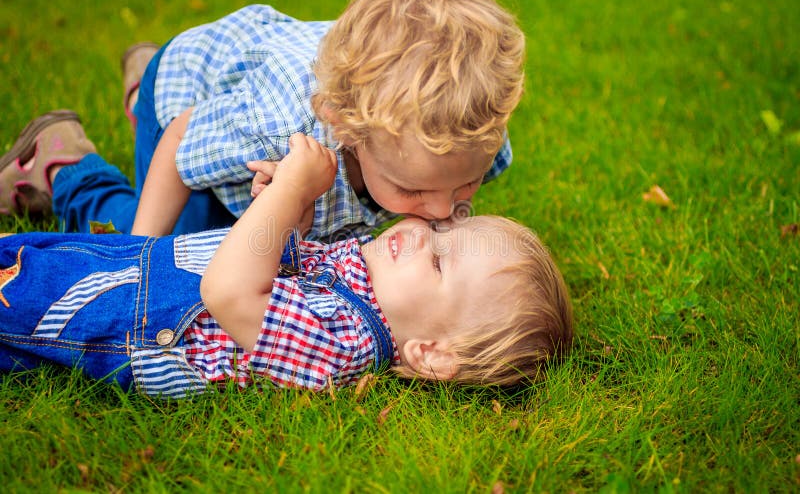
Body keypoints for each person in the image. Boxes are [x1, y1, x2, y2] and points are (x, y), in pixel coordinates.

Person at [0, 134, 572, 398]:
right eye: (444, 232)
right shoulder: (368, 272)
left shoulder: (338, 348)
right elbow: (279, 263)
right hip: (136, 266)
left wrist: (288, 192)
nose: (424, 237)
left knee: (18, 298)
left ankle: (64, 164)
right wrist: (286, 208)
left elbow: (229, 294)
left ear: (430, 353)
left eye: (441, 264)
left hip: (116, 324)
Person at [0, 0, 525, 239]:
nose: (441, 210)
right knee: (186, 247)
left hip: (234, 81)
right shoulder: (277, 127)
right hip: (187, 100)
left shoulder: (464, 127)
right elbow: (184, 134)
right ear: (345, 127)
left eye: (463, 185)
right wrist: (143, 261)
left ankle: (142, 85)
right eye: (412, 189)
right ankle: (64, 166)